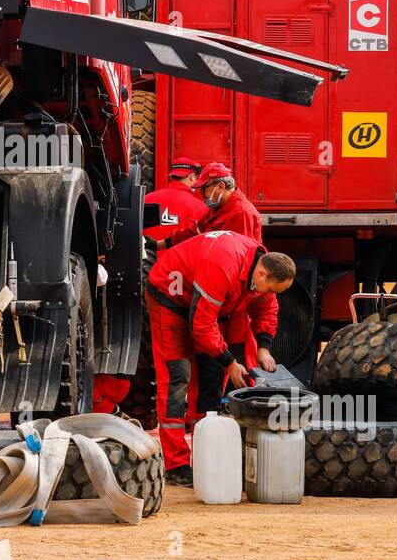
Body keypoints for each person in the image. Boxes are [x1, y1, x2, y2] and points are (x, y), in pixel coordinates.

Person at [145, 229, 295, 485]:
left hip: (206, 302)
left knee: (209, 377)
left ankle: (205, 453)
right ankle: (175, 464)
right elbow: (201, 326)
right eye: (269, 287)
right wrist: (229, 363)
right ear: (261, 273)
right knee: (177, 376)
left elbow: (266, 308)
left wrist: (263, 347)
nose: (270, 292)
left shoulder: (262, 270)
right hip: (170, 299)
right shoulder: (223, 265)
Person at [93, 158, 208, 415]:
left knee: (142, 356)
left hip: (142, 287)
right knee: (183, 357)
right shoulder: (199, 208)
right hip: (180, 292)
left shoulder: (145, 200)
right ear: (191, 179)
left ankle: (142, 413)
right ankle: (189, 414)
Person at [154, 162, 262, 249]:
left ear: (220, 187)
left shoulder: (241, 213)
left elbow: (239, 255)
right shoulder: (217, 208)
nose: (201, 194)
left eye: (204, 188)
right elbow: (193, 232)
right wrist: (158, 244)